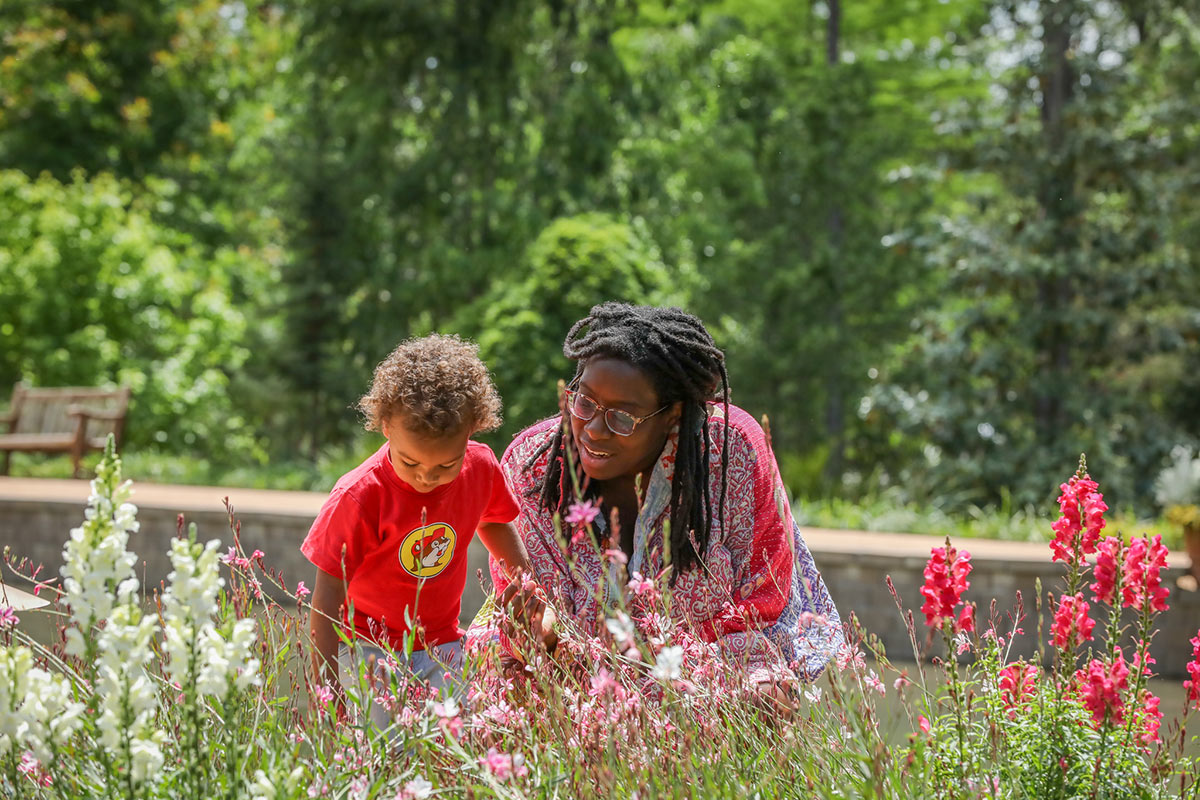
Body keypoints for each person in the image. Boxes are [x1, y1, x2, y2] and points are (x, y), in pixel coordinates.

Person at [489, 303, 842, 692]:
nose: (592, 429)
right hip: (564, 673)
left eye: (622, 417)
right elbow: (524, 608)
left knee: (768, 692)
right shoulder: (532, 468)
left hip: (709, 667)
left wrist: (665, 672)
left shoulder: (732, 453)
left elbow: (763, 598)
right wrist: (546, 635)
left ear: (673, 414)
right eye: (585, 401)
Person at [302, 334, 545, 729]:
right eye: (410, 462)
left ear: (473, 430)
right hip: (367, 646)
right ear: (384, 426)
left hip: (441, 643)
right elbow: (327, 593)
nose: (426, 478)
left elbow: (495, 521)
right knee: (385, 754)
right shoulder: (360, 496)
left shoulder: (480, 467)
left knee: (454, 747)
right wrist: (327, 686)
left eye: (446, 466)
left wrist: (523, 583)